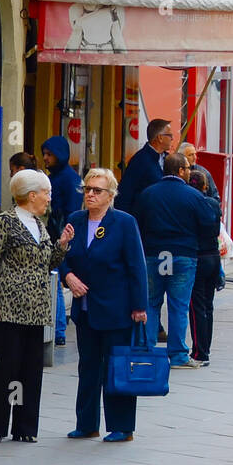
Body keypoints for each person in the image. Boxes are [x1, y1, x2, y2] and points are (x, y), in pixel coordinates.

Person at [0, 170, 74, 442]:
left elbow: (47, 263)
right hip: (11, 305)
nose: (48, 198)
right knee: (8, 366)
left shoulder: (38, 223)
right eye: (46, 193)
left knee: (31, 369)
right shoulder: (5, 221)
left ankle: (25, 427)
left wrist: (62, 245)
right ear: (32, 195)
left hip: (37, 307)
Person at [62, 167, 149, 442]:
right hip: (85, 309)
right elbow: (62, 253)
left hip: (117, 308)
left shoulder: (123, 223)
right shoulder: (75, 220)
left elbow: (137, 266)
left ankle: (122, 426)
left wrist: (139, 306)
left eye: (96, 190)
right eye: (87, 189)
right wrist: (68, 276)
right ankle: (86, 423)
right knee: (88, 366)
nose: (90, 194)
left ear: (110, 195)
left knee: (117, 366)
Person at [133, 151, 220, 368]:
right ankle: (178, 354)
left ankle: (146, 350)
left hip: (153, 255)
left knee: (151, 303)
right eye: (188, 167)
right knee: (179, 306)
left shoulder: (148, 194)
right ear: (180, 170)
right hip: (183, 256)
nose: (191, 171)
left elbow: (137, 222)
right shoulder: (193, 195)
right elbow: (209, 224)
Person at [42, 135, 82, 346]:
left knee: (55, 280)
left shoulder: (65, 179)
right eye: (44, 155)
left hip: (60, 238)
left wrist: (63, 238)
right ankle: (58, 329)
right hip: (60, 236)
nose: (46, 159)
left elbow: (69, 213)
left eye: (50, 154)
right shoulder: (63, 177)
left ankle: (58, 330)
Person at [187, 169, 222, 364]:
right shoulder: (214, 204)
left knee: (196, 306)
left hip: (197, 256)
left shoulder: (190, 204)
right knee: (208, 305)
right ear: (205, 186)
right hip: (213, 256)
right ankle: (205, 348)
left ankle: (200, 352)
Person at [114, 117, 172, 212]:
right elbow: (126, 192)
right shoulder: (140, 160)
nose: (172, 139)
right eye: (169, 135)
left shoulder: (168, 158)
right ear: (160, 138)